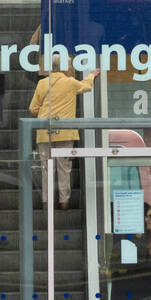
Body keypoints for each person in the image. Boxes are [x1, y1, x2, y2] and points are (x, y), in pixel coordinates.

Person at [29, 66, 100, 207]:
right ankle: (64, 201)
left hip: (45, 133)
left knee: (46, 168)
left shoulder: (42, 83)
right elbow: (86, 86)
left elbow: (33, 109)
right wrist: (92, 75)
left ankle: (46, 201)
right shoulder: (70, 82)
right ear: (65, 69)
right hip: (65, 133)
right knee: (64, 168)